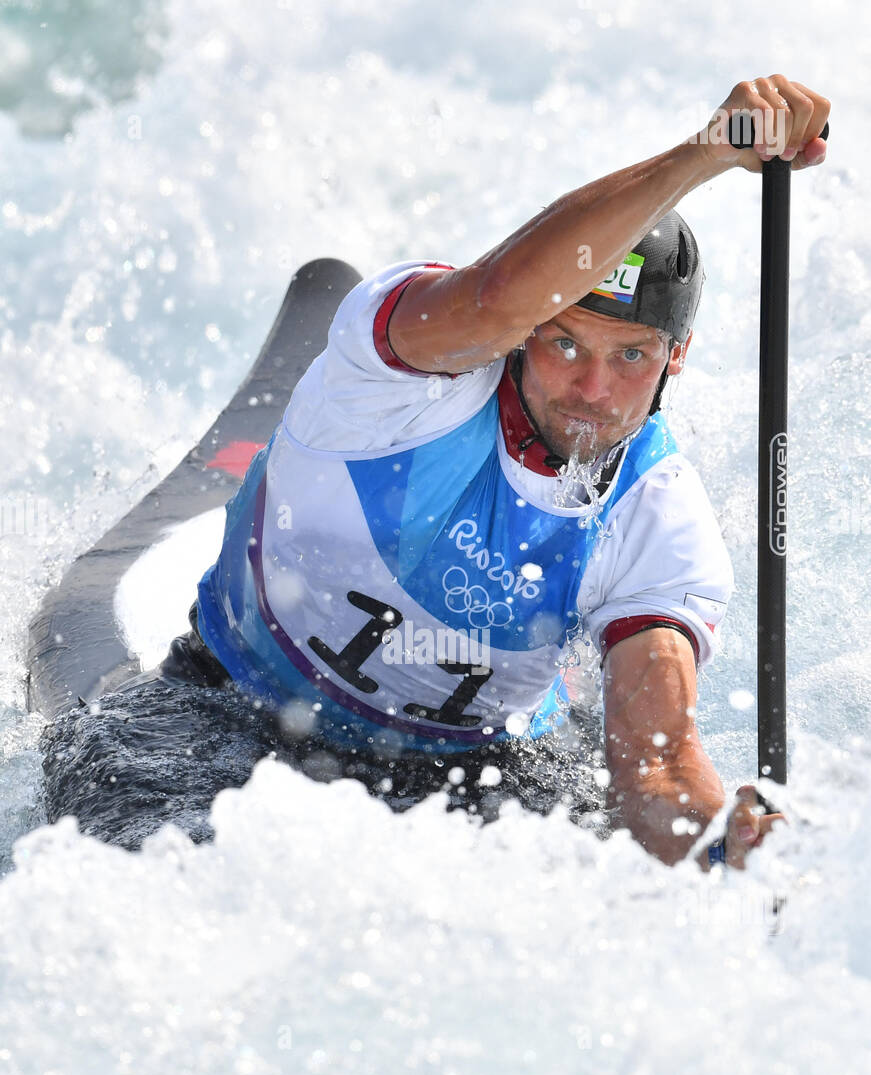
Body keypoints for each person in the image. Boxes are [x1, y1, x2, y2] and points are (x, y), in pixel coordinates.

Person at [44, 75, 830, 862]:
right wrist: (705, 153)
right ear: (524, 333)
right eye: (563, 344)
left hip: (487, 770)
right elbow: (490, 298)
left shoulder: (657, 516)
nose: (593, 390)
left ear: (675, 360)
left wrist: (725, 841)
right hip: (235, 711)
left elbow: (654, 762)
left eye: (630, 357)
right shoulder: (407, 384)